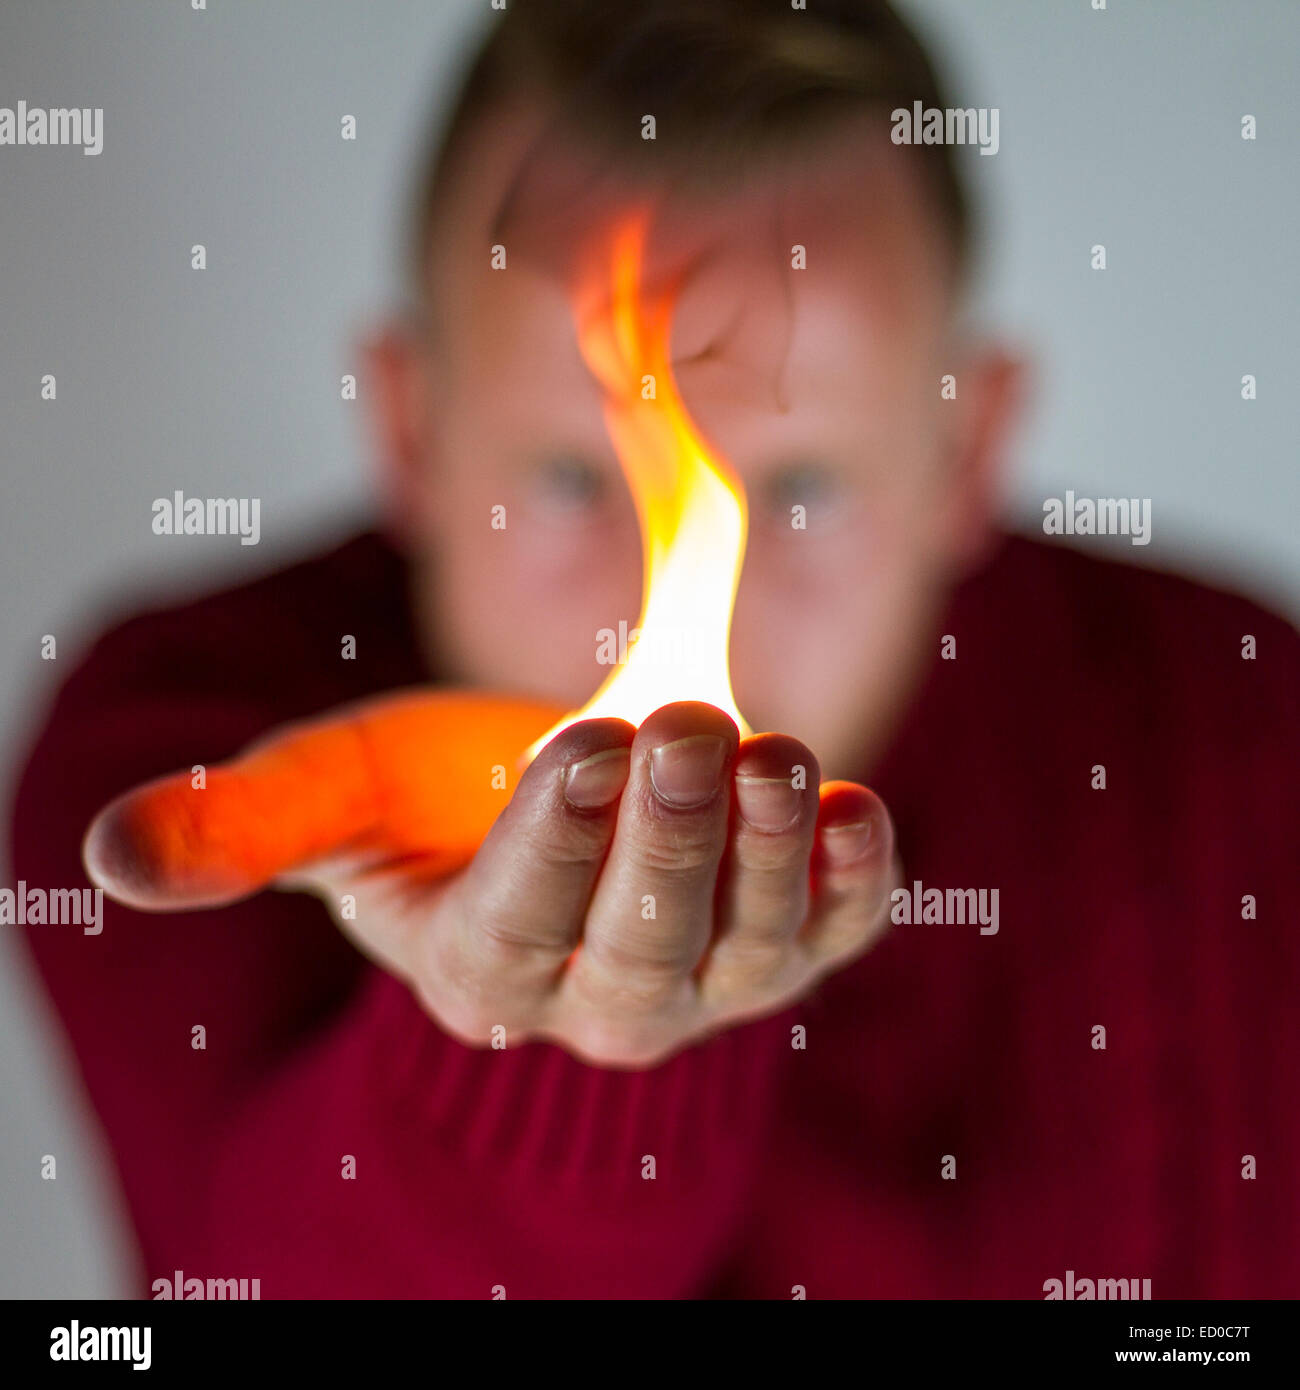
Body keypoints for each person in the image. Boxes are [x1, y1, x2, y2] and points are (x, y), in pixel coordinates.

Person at [12, 0, 1297, 1299]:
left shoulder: (1244, 741)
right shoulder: (184, 752)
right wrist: (536, 1058)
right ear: (412, 428)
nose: (684, 620)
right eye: (575, 476)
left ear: (967, 451)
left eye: (799, 490)